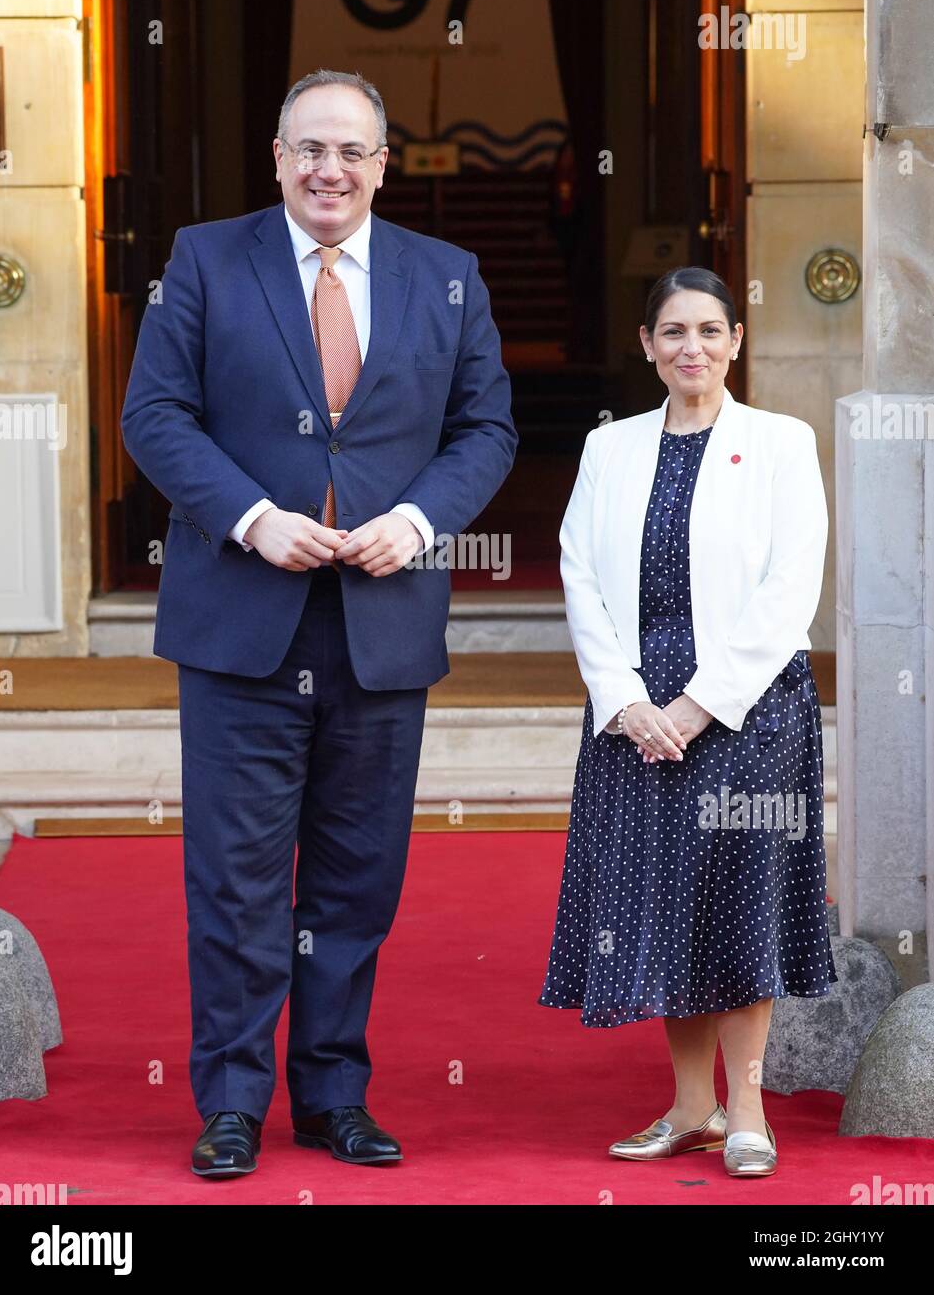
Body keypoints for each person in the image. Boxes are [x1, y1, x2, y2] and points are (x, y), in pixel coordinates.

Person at [120, 69, 517, 1176]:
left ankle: (333, 1093)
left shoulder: (449, 276)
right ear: (279, 159)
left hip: (380, 624)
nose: (328, 170)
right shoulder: (206, 258)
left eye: (350, 151)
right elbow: (152, 413)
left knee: (355, 876)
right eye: (307, 149)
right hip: (242, 622)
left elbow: (485, 428)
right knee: (238, 877)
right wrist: (249, 518)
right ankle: (233, 1102)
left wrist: (416, 519)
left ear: (384, 163)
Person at [538, 266, 836, 1178]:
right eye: (672, 333)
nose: (691, 348)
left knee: (738, 907)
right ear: (646, 345)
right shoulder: (609, 449)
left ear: (735, 343)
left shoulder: (782, 442)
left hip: (746, 710)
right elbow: (577, 571)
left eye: (710, 331)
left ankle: (746, 1109)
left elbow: (792, 586)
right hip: (635, 714)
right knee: (665, 907)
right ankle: (689, 1106)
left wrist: (697, 705)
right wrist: (623, 699)